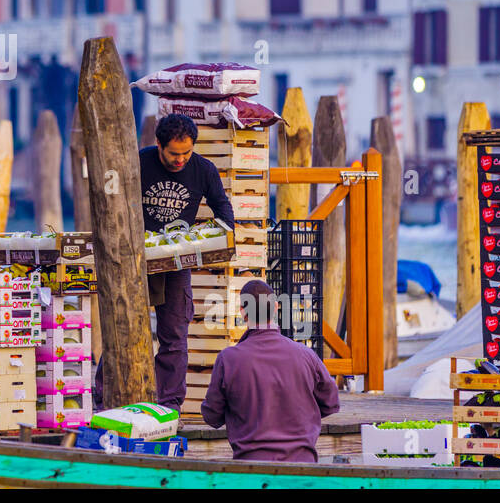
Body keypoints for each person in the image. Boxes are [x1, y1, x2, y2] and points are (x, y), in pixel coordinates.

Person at [95, 112, 234, 409]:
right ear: (159, 144)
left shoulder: (204, 170)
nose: (181, 159)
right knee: (123, 325)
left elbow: (223, 210)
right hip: (135, 259)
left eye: (186, 152)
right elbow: (111, 203)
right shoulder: (138, 161)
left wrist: (219, 235)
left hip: (177, 262)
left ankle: (169, 405)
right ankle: (103, 397)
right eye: (174, 153)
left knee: (174, 335)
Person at [200, 279, 340, 463]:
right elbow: (331, 403)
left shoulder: (228, 359)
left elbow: (212, 416)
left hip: (251, 469)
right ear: (275, 307)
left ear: (243, 312)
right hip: (303, 466)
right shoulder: (306, 355)